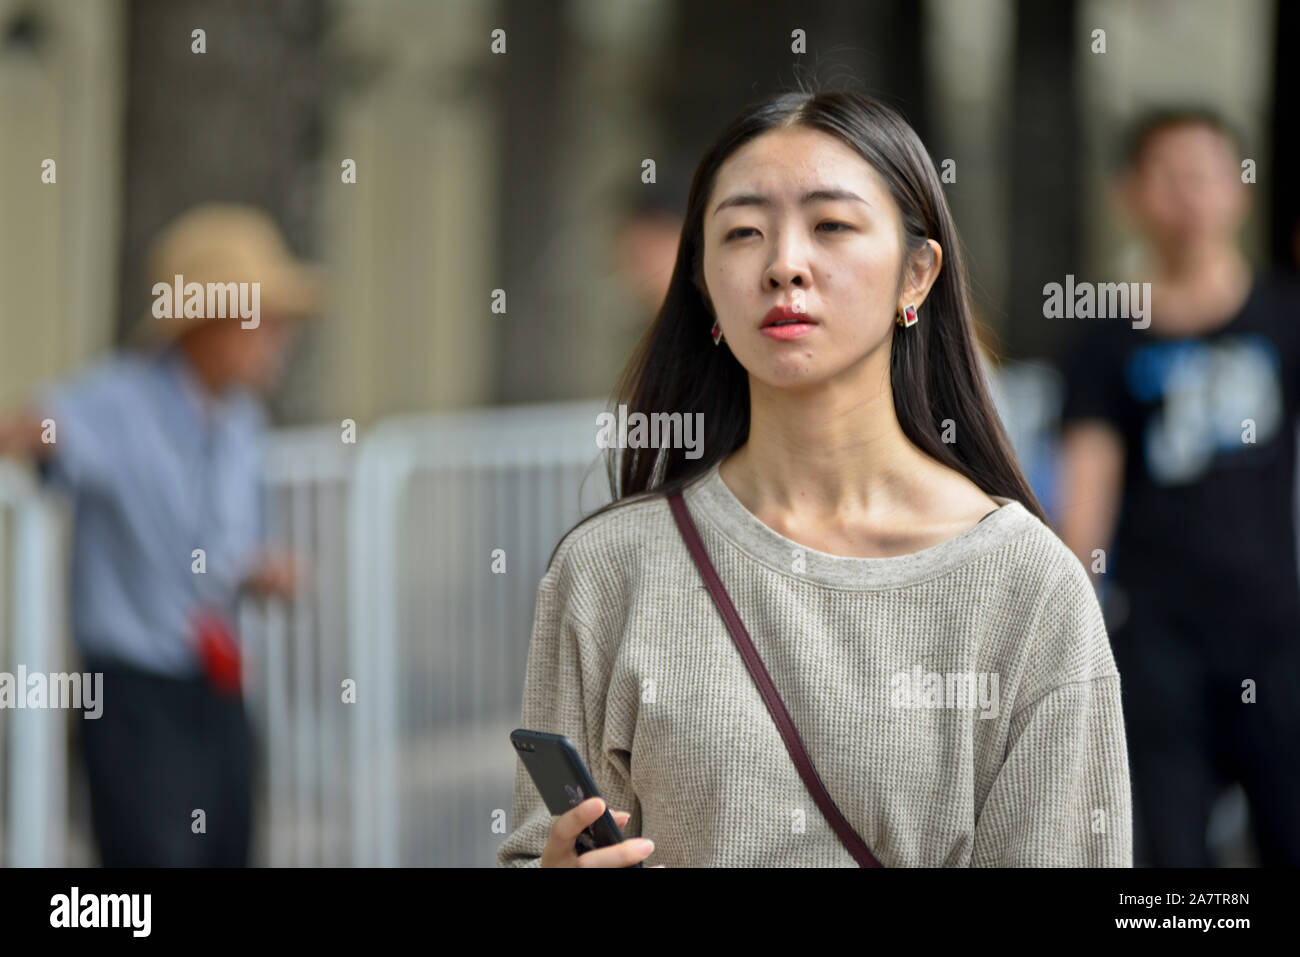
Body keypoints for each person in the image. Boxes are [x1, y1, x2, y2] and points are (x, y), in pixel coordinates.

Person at [497, 88, 1132, 867]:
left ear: (917, 274)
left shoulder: (1027, 586)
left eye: (831, 225)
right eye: (742, 232)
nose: (783, 264)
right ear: (701, 281)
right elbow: (541, 846)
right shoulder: (606, 570)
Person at [0, 203, 320, 866]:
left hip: (217, 683)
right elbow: (32, 429)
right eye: (264, 317)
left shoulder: (242, 422)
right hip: (135, 696)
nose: (279, 337)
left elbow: (225, 546)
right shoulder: (119, 402)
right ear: (207, 323)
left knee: (230, 849)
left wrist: (259, 569)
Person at [1056, 108, 1300, 867]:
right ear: (1128, 193)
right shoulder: (1105, 338)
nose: (1188, 196)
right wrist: (1072, 622)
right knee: (1171, 859)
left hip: (1278, 630)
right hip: (1156, 638)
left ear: (1241, 191)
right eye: (1167, 177)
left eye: (1206, 174)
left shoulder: (1286, 318)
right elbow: (1086, 494)